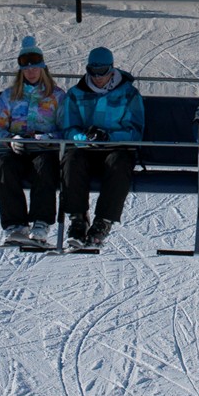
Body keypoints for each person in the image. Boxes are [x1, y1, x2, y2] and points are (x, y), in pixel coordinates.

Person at [60, 46, 145, 249]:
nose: (98, 77)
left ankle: (103, 221)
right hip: (86, 148)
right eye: (93, 72)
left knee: (119, 163)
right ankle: (78, 219)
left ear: (112, 69)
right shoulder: (76, 94)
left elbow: (135, 130)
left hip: (116, 147)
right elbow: (68, 127)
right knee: (72, 159)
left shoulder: (128, 94)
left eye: (103, 72)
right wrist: (82, 138)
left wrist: (109, 136)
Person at [0, 36, 63, 247]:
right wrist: (10, 140)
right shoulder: (10, 96)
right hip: (18, 148)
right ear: (21, 70)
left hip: (44, 148)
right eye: (27, 68)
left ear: (43, 68)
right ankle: (15, 225)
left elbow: (67, 129)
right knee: (5, 167)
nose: (31, 72)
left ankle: (41, 222)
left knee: (45, 166)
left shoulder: (56, 97)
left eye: (35, 67)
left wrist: (50, 139)